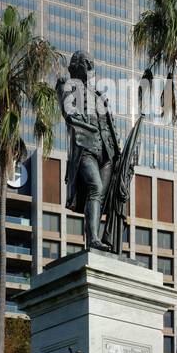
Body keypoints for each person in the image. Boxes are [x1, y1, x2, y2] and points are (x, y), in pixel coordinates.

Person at [57, 51, 121, 251]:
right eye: (86, 63)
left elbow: (110, 124)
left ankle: (101, 239)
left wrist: (118, 150)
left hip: (107, 151)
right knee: (95, 187)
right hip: (85, 146)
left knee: (103, 196)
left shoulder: (100, 95)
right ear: (77, 66)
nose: (90, 67)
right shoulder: (66, 86)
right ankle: (92, 239)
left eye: (90, 64)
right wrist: (85, 123)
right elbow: (69, 113)